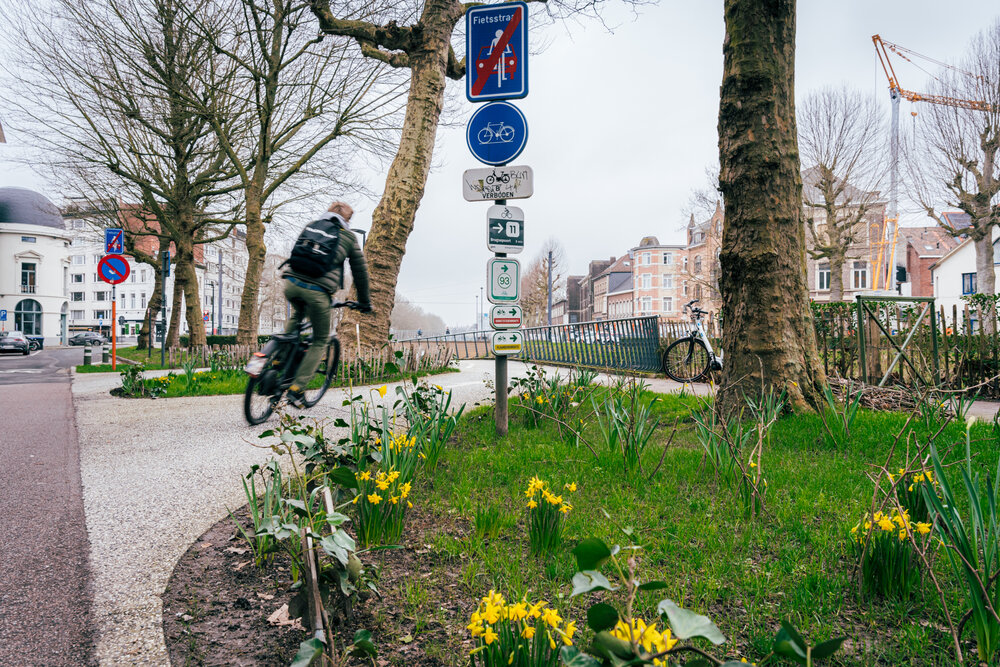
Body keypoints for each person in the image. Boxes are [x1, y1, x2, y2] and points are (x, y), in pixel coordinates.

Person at [283, 201, 372, 407]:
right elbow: (360, 272)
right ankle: (296, 389)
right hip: (317, 292)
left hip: (291, 284)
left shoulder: (312, 226)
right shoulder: (348, 236)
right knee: (321, 338)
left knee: (297, 317)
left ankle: (277, 360)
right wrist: (365, 302)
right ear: (347, 219)